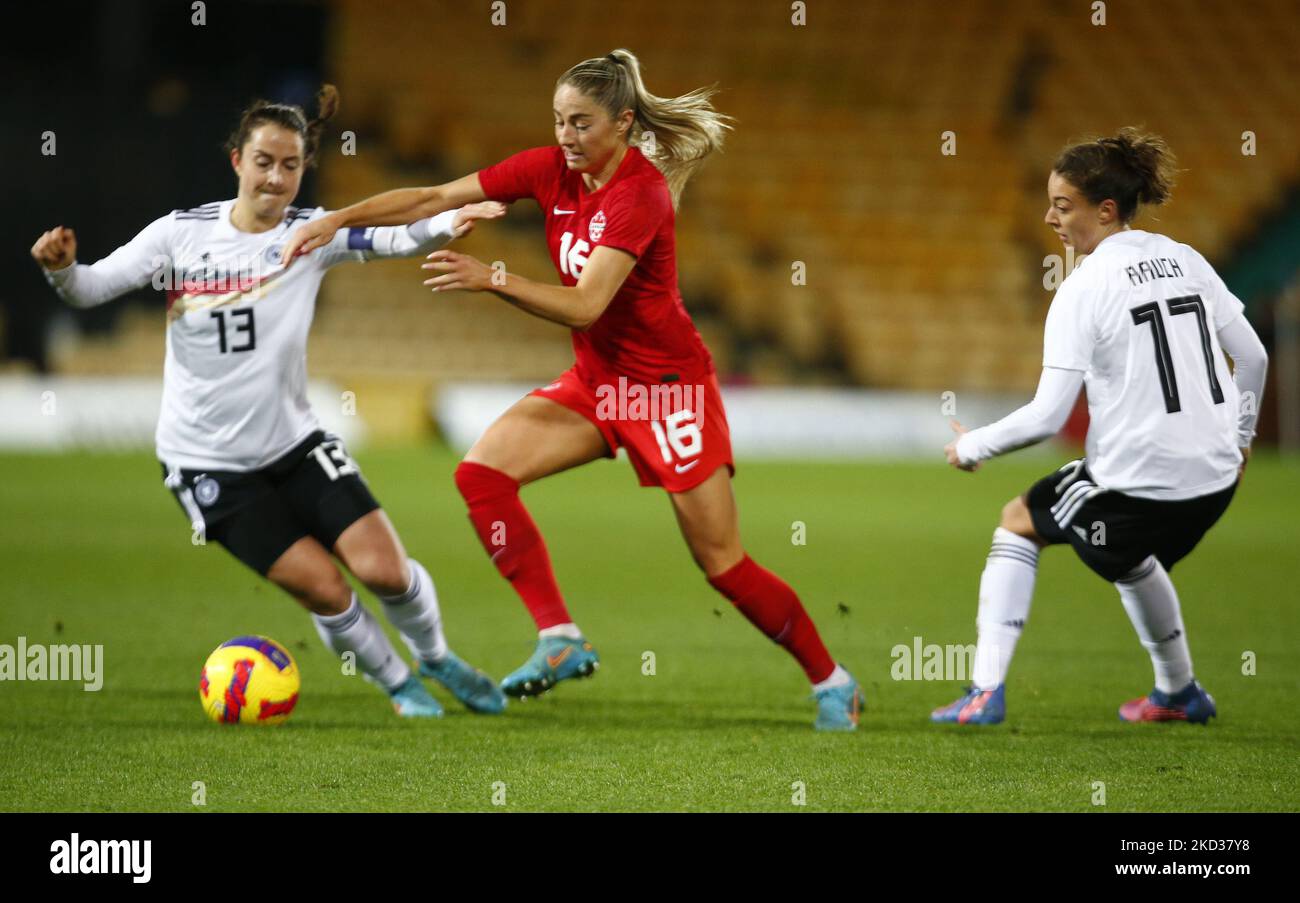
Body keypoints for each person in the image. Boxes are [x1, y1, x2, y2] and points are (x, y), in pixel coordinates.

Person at [282, 51, 864, 731]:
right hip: (598, 383)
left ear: (622, 122)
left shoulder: (640, 195)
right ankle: (559, 637)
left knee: (722, 563)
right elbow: (437, 196)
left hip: (666, 393)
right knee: (482, 475)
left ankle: (833, 680)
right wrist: (335, 220)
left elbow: (587, 305)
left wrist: (492, 277)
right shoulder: (548, 170)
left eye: (580, 123)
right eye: (558, 120)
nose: (565, 135)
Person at [31, 86, 508, 719]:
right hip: (210, 468)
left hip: (296, 444)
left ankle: (438, 657)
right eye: (264, 162)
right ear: (236, 161)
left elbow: (396, 241)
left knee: (387, 572)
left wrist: (450, 221)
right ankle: (399, 684)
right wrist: (62, 270)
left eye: (290, 165)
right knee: (328, 590)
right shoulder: (180, 236)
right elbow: (90, 289)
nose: (276, 177)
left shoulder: (310, 235)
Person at [932, 128, 1269, 725]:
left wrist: (972, 446)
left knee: (1019, 522)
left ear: (1105, 210)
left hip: (1139, 490)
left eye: (1063, 206)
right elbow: (1255, 358)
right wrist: (1240, 441)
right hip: (1214, 483)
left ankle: (983, 692)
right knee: (1130, 558)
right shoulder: (1187, 258)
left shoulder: (1083, 290)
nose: (1050, 218)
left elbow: (1047, 416)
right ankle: (1179, 694)